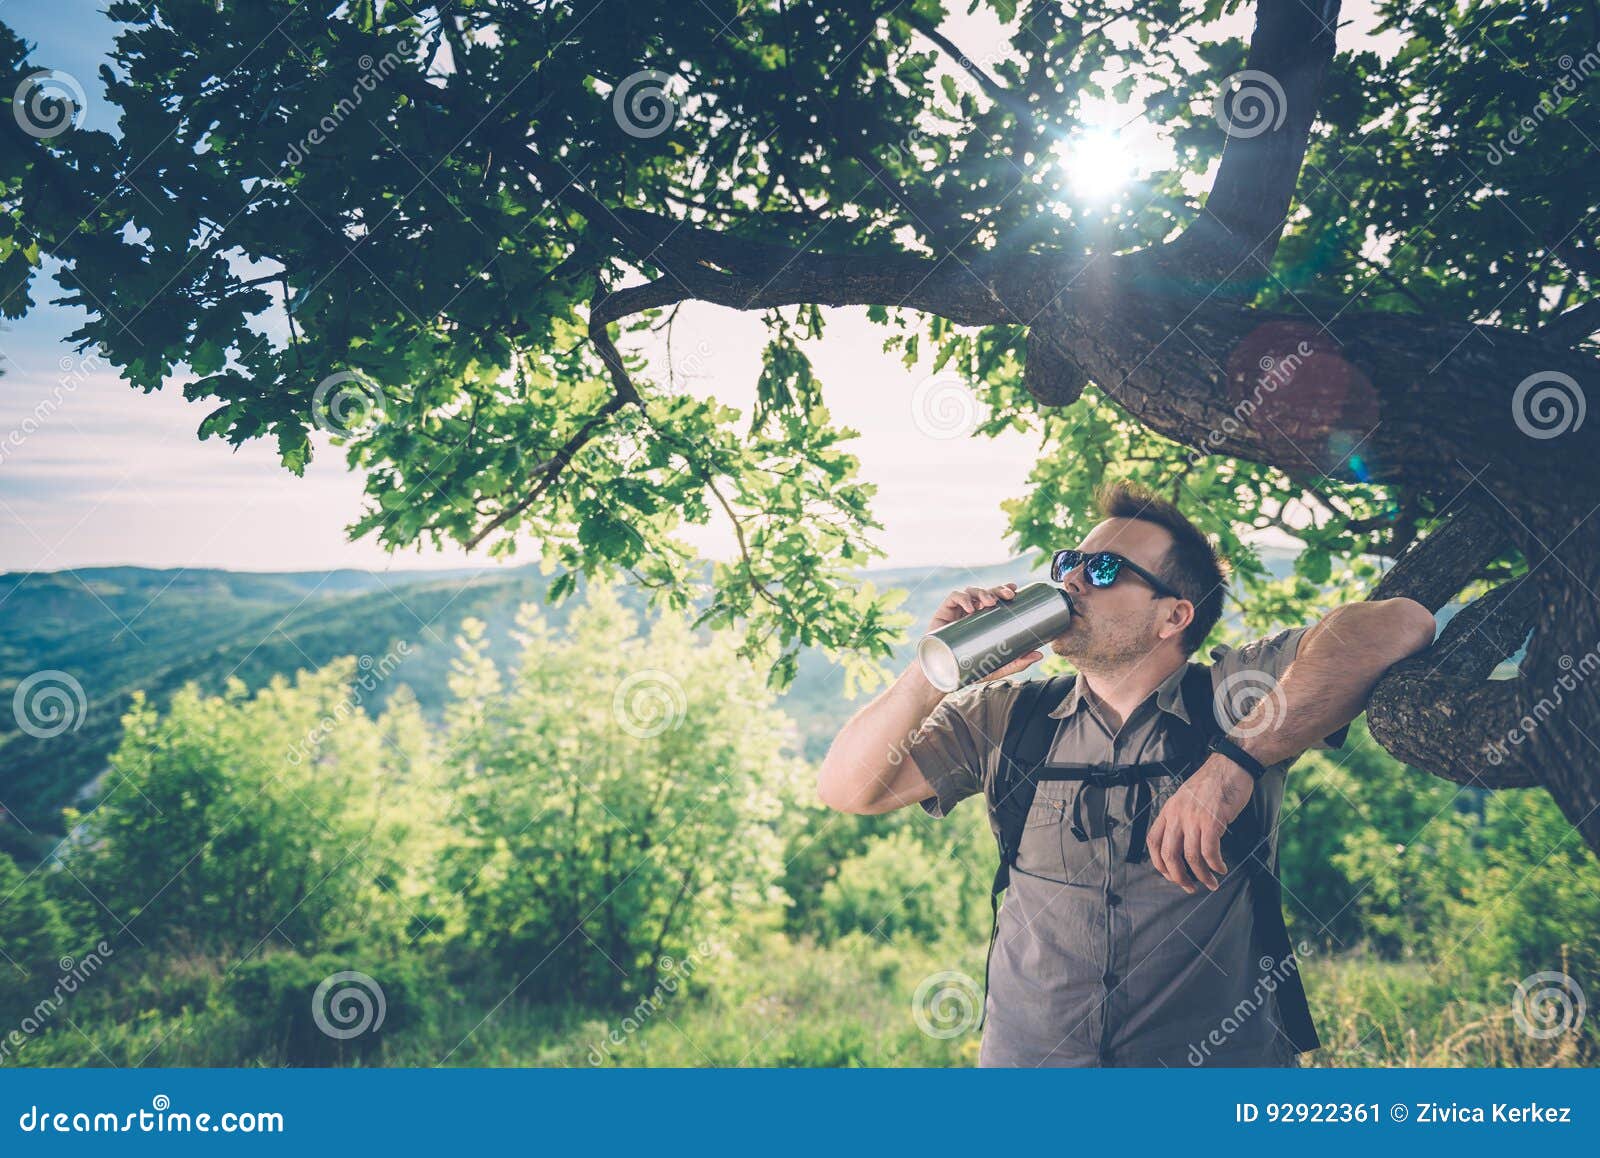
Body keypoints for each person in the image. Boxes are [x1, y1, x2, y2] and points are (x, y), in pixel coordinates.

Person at [816, 481, 1438, 1067]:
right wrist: (937, 667)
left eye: (1106, 569)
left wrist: (1234, 765)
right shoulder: (1009, 717)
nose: (1073, 582)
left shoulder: (1232, 697)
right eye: (1068, 564)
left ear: (1173, 617)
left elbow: (1398, 623)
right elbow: (847, 789)